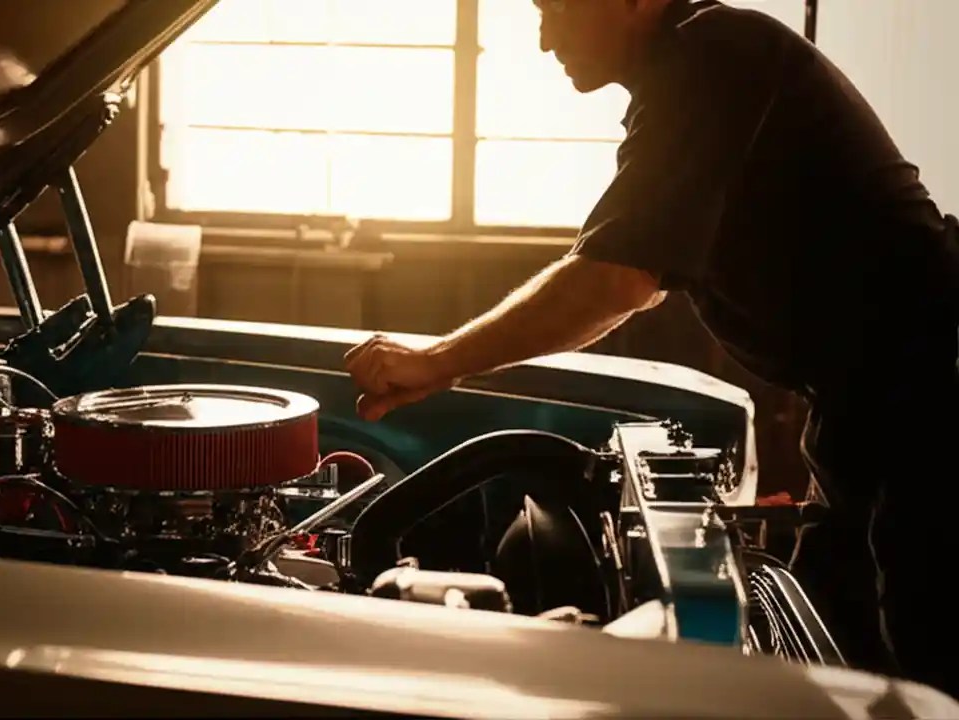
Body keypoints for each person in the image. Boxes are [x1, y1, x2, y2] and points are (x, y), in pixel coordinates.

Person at [344, 0, 959, 695]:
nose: (544, 40)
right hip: (868, 401)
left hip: (934, 392)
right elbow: (638, 264)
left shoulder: (714, 56)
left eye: (555, 10)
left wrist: (438, 361)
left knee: (929, 657)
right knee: (828, 644)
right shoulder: (688, 73)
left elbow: (617, 278)